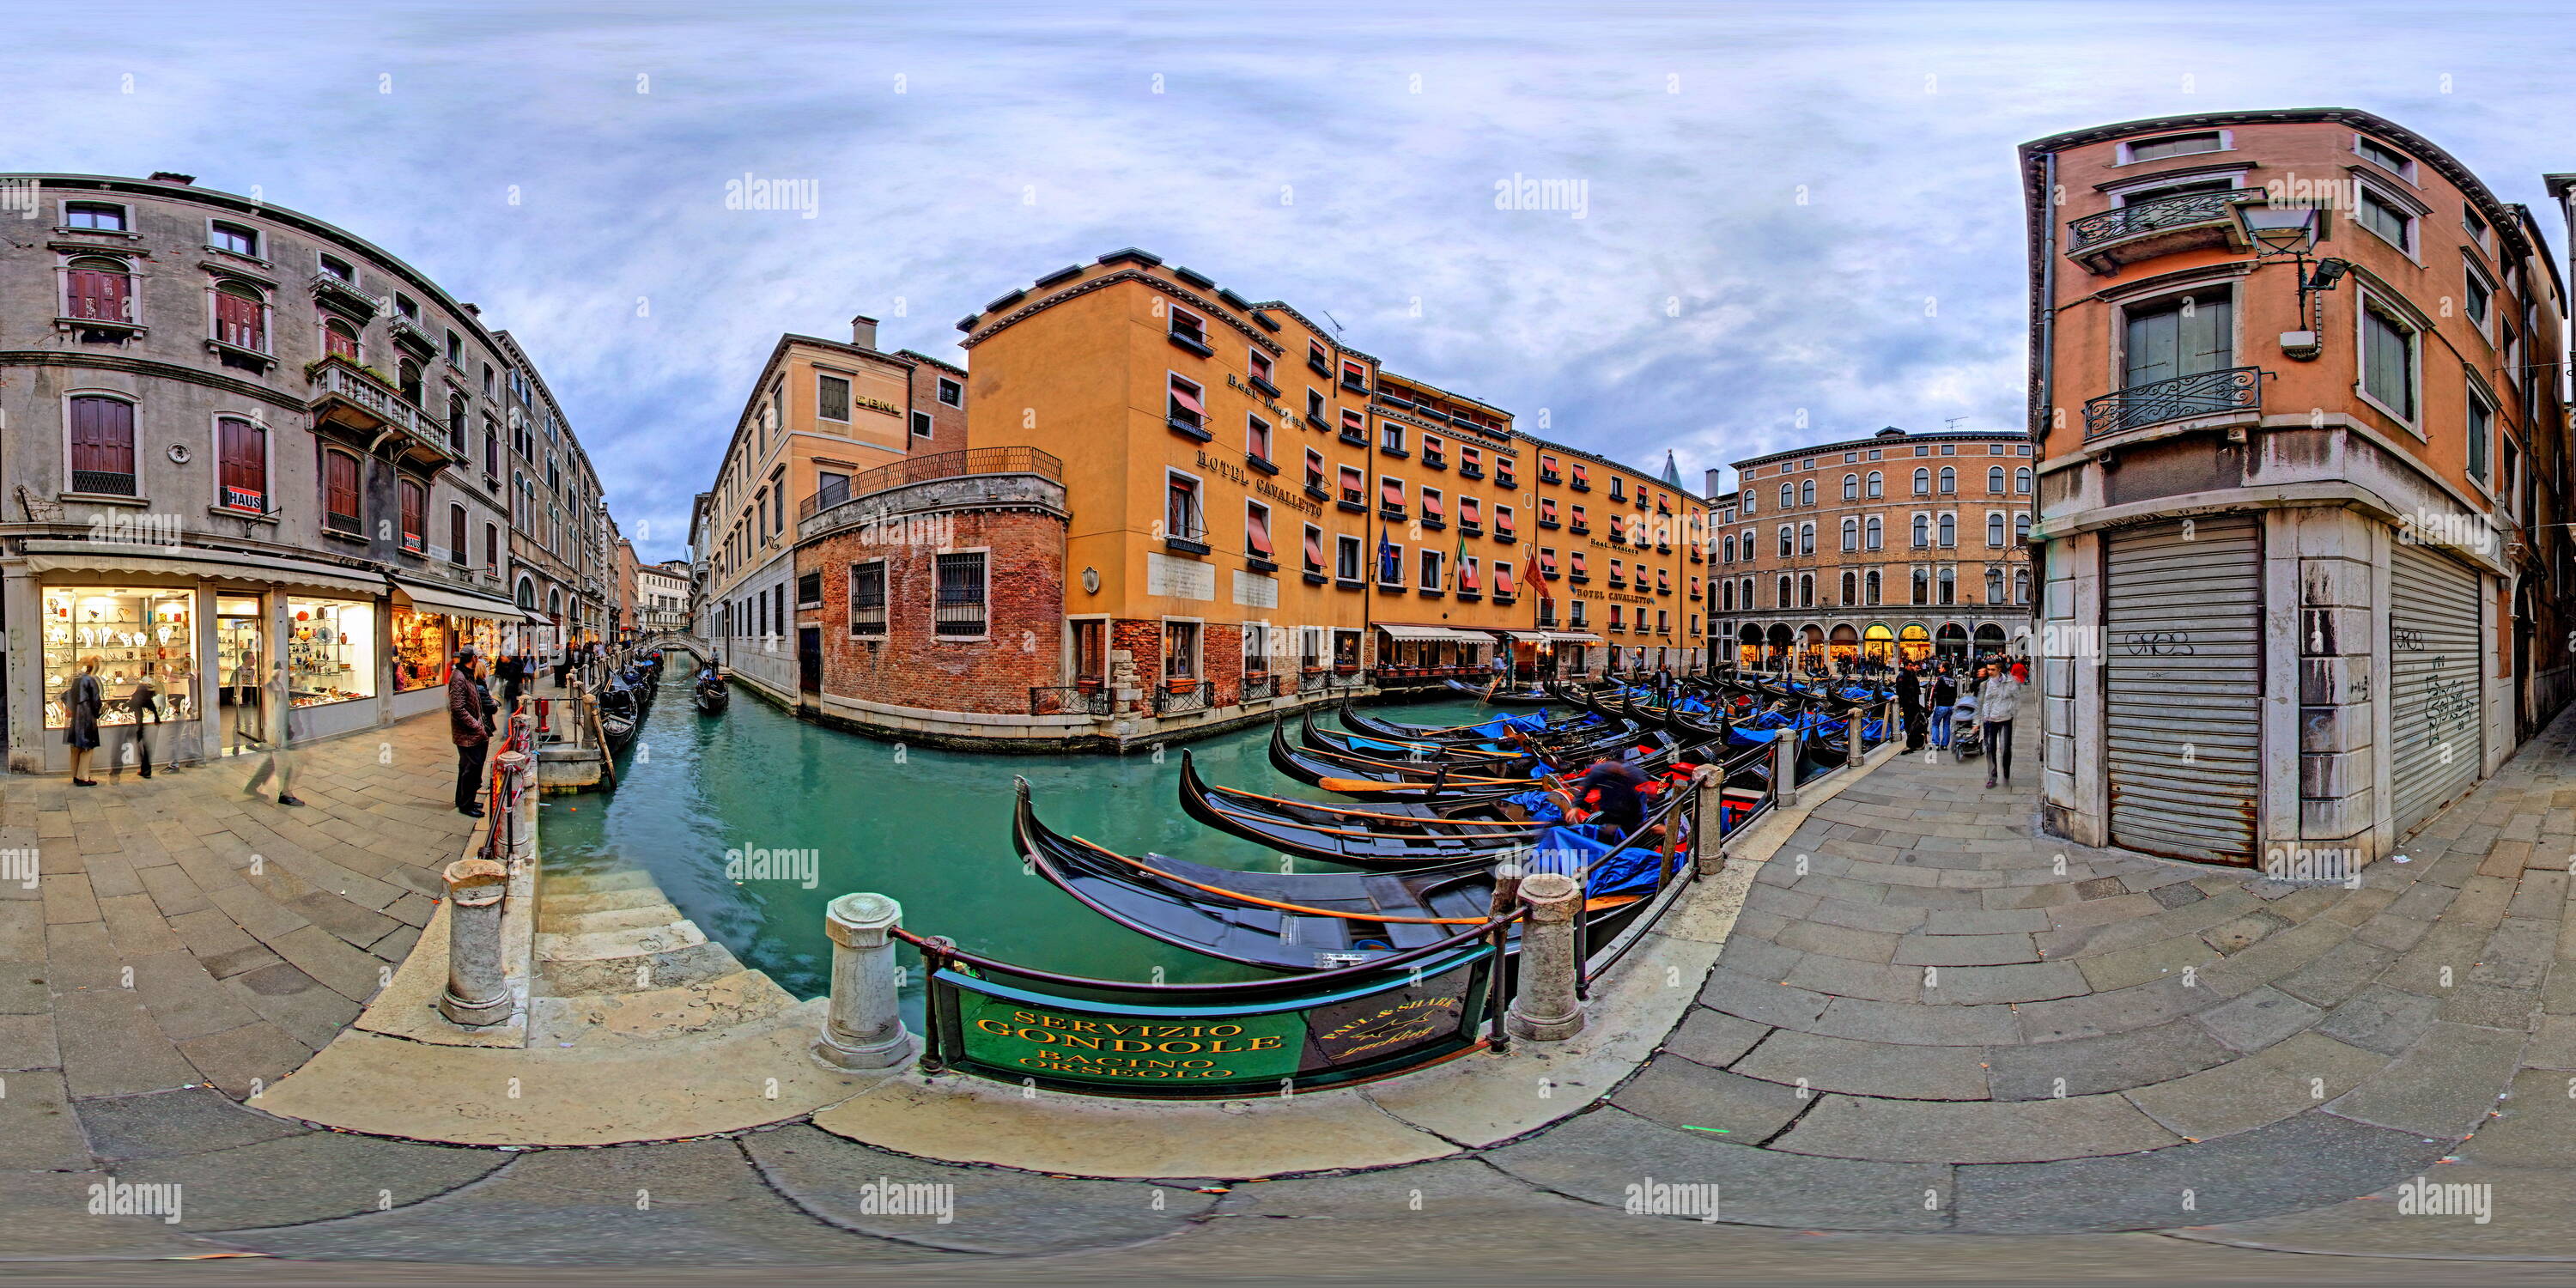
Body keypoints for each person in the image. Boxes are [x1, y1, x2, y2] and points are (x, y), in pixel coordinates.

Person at [241, 661, 301, 806]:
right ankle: (285, 794)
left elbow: (282, 708)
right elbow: (271, 713)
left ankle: (252, 787)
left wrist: (289, 726)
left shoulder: (277, 686)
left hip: (278, 730)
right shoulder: (268, 688)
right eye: (277, 670)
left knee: (272, 763)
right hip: (274, 732)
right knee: (287, 763)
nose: (279, 673)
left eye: (280, 670)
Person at [449, 647, 490, 817]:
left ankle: (464, 800)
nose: (479, 660)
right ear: (472, 658)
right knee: (470, 769)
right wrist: (476, 725)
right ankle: (466, 806)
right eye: (477, 657)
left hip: (472, 730)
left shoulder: (467, 673)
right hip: (467, 732)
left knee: (467, 768)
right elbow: (457, 708)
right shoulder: (459, 676)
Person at [1571, 754, 1651, 841]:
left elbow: (1636, 807)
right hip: (1609, 810)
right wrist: (1575, 806)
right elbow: (1585, 788)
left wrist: (1617, 824)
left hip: (1632, 813)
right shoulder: (1600, 772)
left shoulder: (1635, 777)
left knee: (1632, 831)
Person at [1978, 662, 2022, 789]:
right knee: (1990, 749)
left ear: (1999, 669)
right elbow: (1983, 703)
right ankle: (1993, 777)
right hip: (1990, 721)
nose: (1990, 672)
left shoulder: (2010, 682)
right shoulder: (1986, 685)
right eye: (1988, 669)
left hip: (2006, 719)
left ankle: (2006, 768)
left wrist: (2011, 710)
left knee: (2006, 748)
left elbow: (2017, 698)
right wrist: (1984, 718)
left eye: (1992, 670)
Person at [108, 671, 160, 781]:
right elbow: (149, 702)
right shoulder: (140, 687)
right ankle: (146, 770)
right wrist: (156, 717)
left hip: (127, 721)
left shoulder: (124, 686)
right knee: (141, 745)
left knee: (120, 746)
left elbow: (115, 701)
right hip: (136, 720)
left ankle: (116, 772)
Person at [63, 658, 103, 787]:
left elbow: (67, 695)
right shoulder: (91, 680)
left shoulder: (77, 679)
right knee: (87, 748)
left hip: (77, 716)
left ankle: (75, 775)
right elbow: (96, 701)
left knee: (75, 748)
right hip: (86, 716)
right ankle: (84, 777)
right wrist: (99, 713)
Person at [1896, 663, 1925, 751]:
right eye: (1910, 665)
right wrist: (1904, 701)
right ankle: (1911, 741)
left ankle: (1915, 741)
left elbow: (1916, 688)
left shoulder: (1912, 675)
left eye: (1912, 665)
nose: (1912, 667)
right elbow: (1900, 690)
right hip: (1907, 703)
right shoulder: (1902, 676)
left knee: (1915, 722)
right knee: (1908, 722)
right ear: (1905, 666)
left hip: (1914, 703)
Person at [1929, 666, 1958, 752]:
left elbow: (1934, 691)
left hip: (1941, 704)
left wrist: (1931, 704)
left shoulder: (1940, 679)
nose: (1939, 669)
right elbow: (1955, 694)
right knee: (1946, 725)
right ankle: (1945, 745)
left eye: (1941, 667)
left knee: (1935, 724)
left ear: (1944, 668)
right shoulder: (1953, 680)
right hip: (1950, 706)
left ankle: (1935, 744)